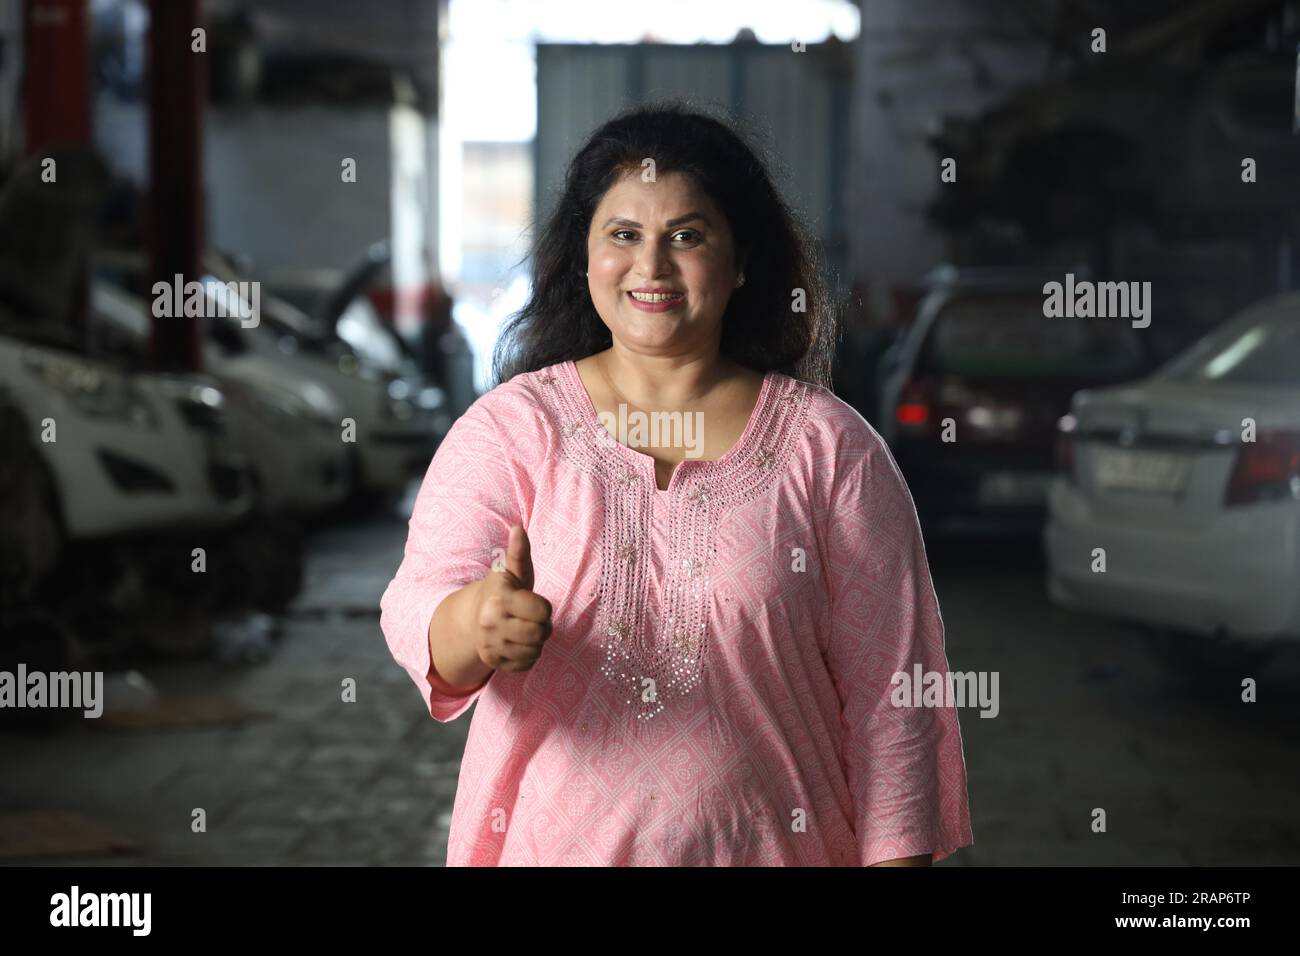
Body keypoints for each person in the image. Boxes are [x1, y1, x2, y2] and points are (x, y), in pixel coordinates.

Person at [380, 100, 973, 866]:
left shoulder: (831, 451)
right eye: (623, 235)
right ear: (584, 256)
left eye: (686, 236)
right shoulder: (512, 432)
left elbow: (898, 703)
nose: (651, 267)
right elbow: (420, 607)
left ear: (742, 259)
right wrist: (477, 623)